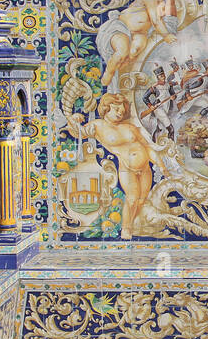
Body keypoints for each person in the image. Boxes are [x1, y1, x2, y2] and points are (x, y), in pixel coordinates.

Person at [67, 93, 164, 238]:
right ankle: (126, 229)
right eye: (116, 109)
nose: (120, 113)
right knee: (132, 198)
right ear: (106, 108)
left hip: (146, 169)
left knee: (142, 200)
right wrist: (73, 120)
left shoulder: (130, 127)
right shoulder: (98, 125)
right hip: (127, 169)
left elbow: (147, 147)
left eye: (122, 111)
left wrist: (161, 165)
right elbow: (78, 132)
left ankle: (133, 225)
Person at [99, 0, 179, 89]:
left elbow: (167, 18)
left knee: (132, 55)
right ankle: (108, 74)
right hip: (122, 28)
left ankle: (117, 75)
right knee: (123, 51)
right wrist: (166, 36)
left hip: (140, 34)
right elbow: (155, 20)